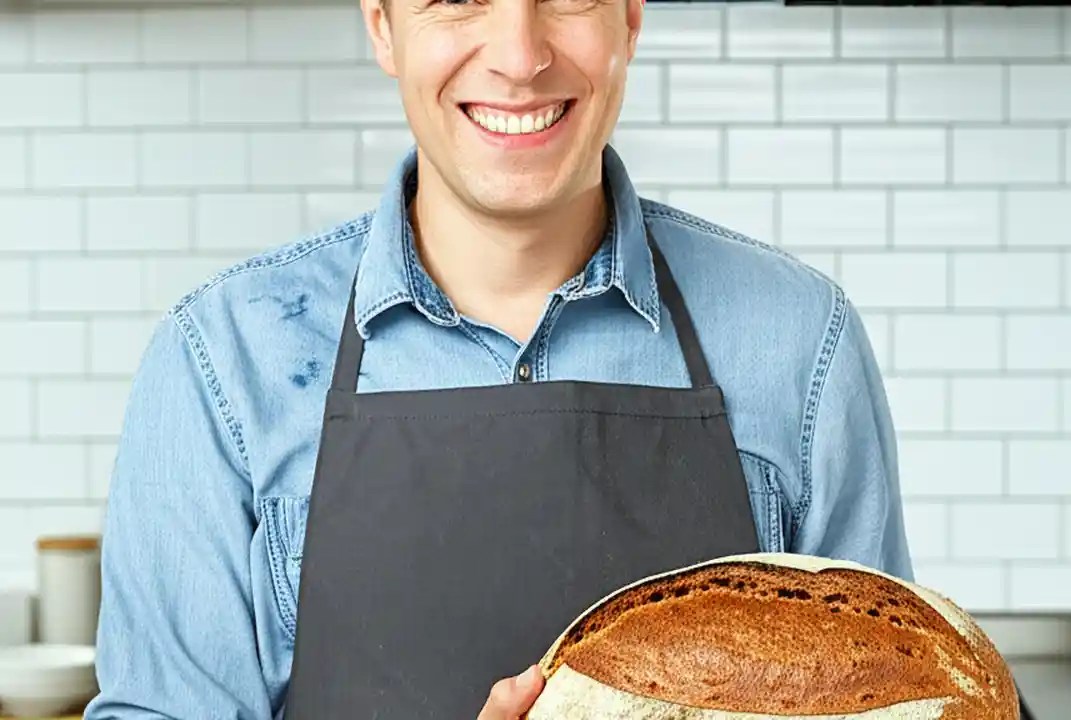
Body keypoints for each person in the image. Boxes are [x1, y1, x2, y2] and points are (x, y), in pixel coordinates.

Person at [85, 0, 912, 717]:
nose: (520, 56)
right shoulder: (224, 363)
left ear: (630, 16)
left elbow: (899, 699)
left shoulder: (800, 343)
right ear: (383, 27)